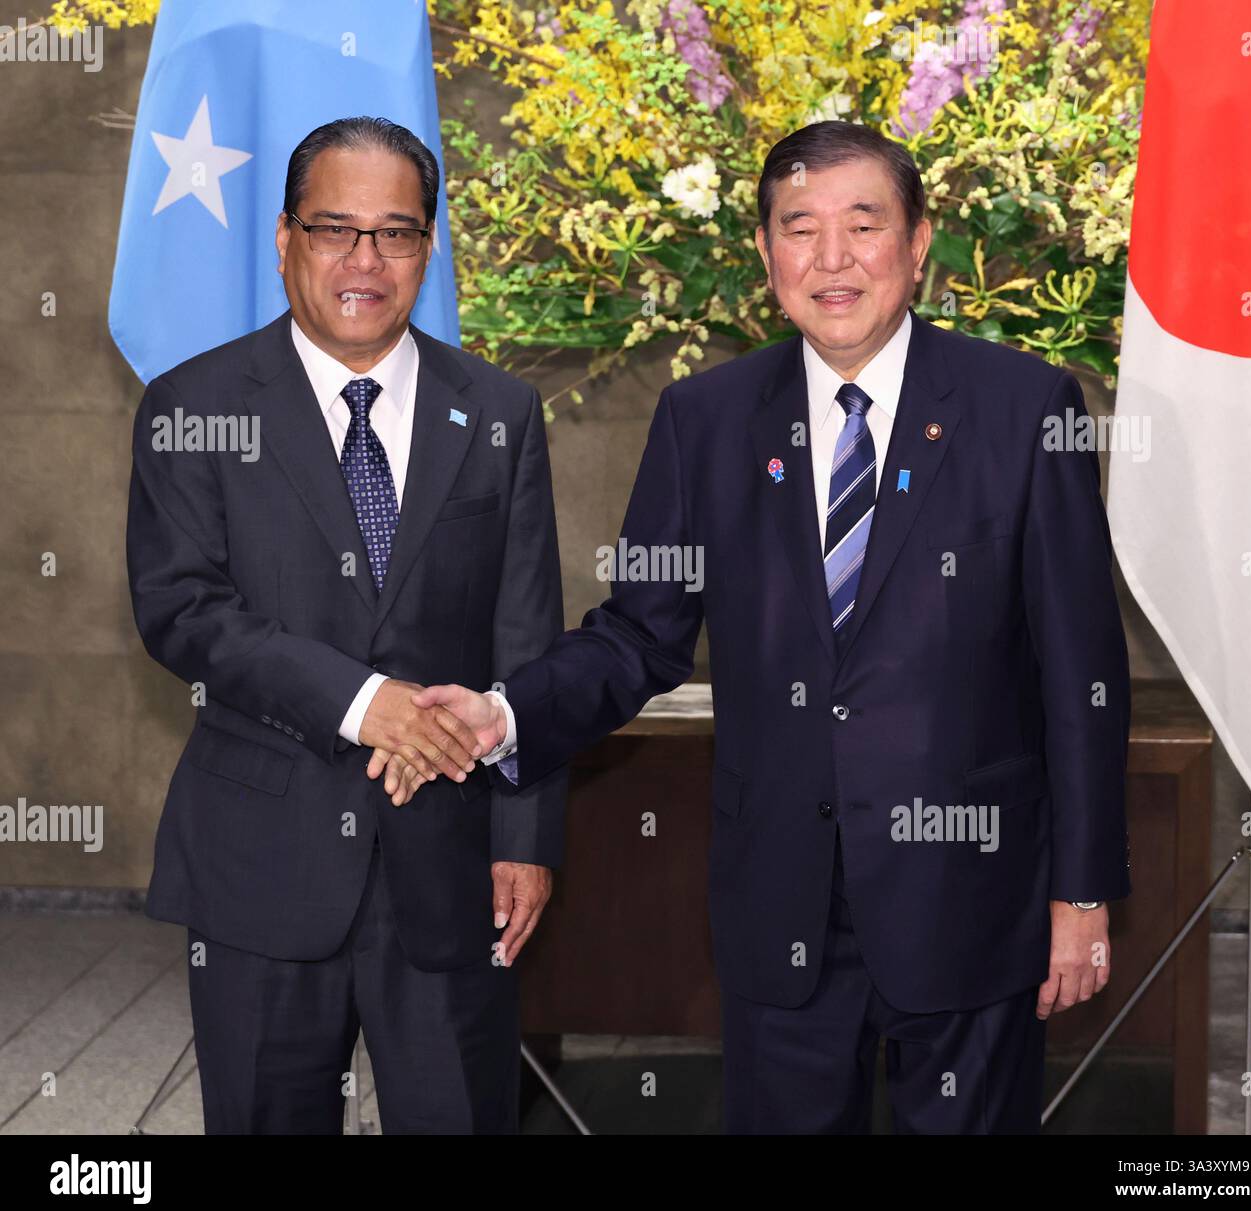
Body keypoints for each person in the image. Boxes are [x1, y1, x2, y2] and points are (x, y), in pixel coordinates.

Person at [393, 120, 1132, 1135]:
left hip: (968, 894)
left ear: (918, 244)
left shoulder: (1022, 406)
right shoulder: (707, 419)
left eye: (862, 226)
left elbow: (1081, 673)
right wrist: (504, 713)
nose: (831, 260)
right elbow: (637, 633)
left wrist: (1082, 894)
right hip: (779, 901)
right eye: (800, 229)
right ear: (764, 255)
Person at [125, 116, 565, 1134]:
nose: (365, 261)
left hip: (455, 871)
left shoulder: (498, 413)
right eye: (334, 229)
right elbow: (182, 612)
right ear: (284, 240)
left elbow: (527, 643)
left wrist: (526, 835)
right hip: (260, 866)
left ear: (427, 246)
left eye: (397, 233)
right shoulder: (191, 405)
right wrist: (367, 706)